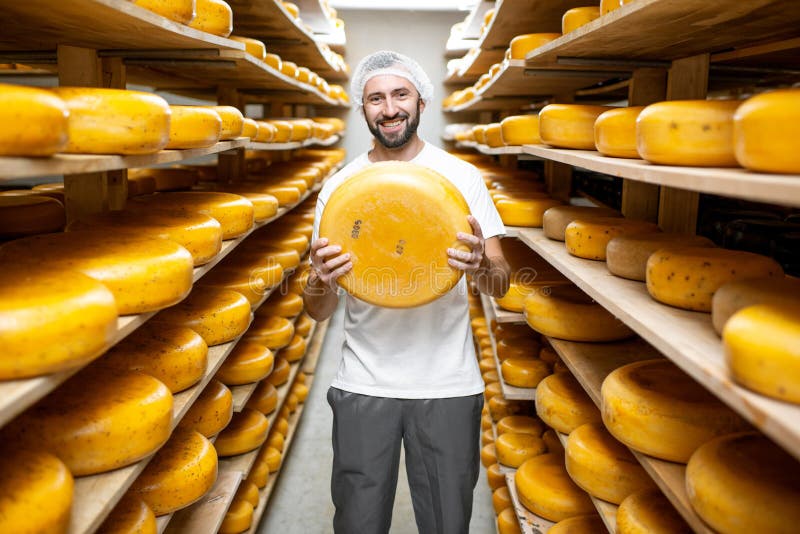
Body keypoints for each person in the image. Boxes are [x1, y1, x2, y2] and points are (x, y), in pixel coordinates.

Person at [302, 50, 510, 534]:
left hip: (448, 385)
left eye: (400, 95)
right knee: (357, 523)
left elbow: (500, 282)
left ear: (421, 101)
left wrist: (482, 264)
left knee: (446, 523)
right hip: (363, 384)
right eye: (376, 98)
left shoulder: (462, 178)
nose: (389, 108)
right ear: (363, 109)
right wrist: (319, 280)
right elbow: (318, 311)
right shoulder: (339, 188)